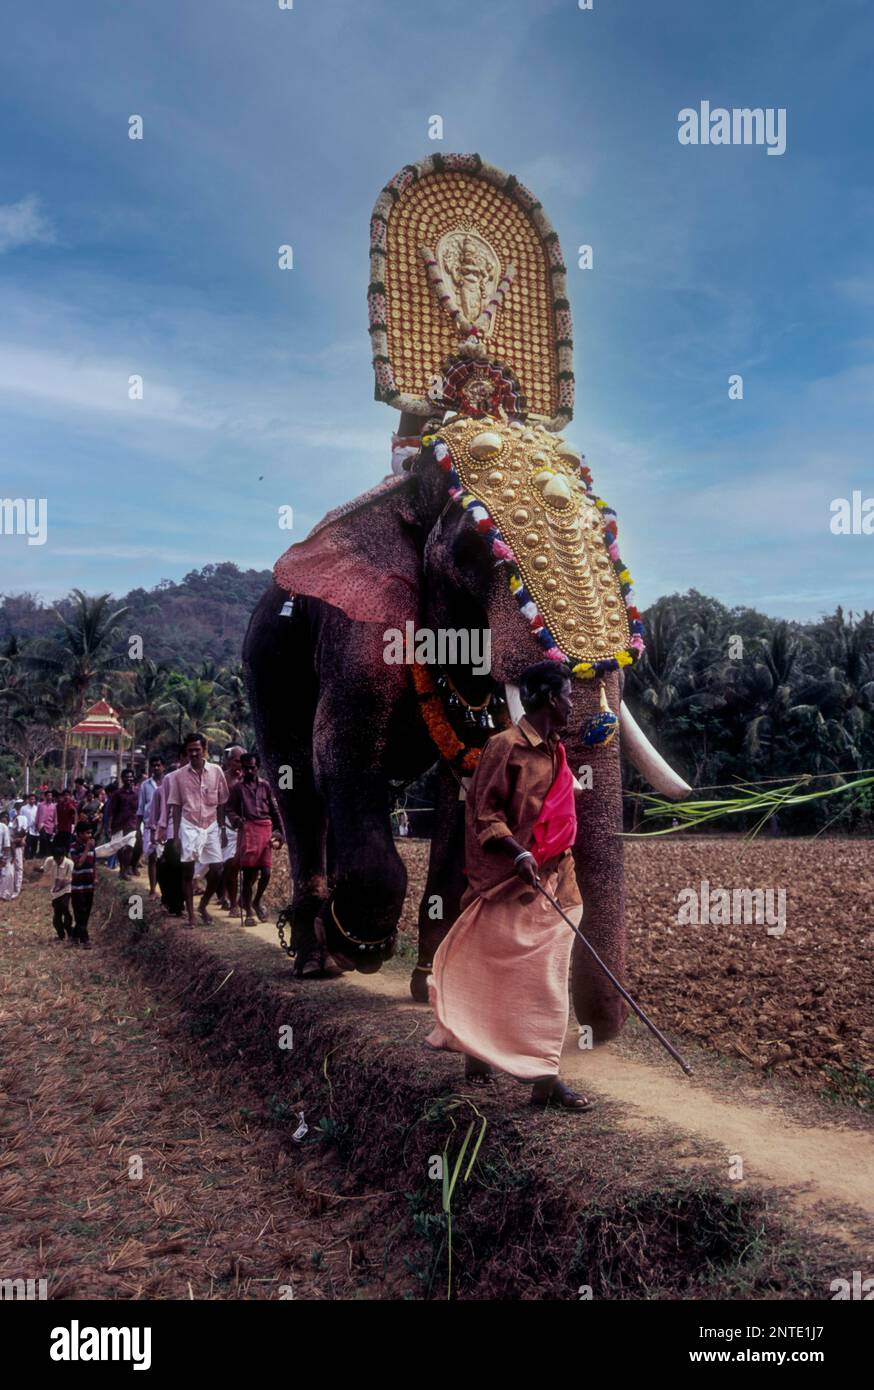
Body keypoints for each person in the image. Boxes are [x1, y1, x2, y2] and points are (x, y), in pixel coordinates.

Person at [425, 661, 592, 1112]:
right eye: (569, 695)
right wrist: (518, 854)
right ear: (550, 699)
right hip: (513, 882)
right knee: (493, 972)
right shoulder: (505, 747)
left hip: (558, 882)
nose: (573, 702)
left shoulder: (557, 750)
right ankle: (502, 1062)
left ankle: (541, 1077)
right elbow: (485, 815)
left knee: (548, 979)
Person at [166, 733, 229, 927]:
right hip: (189, 825)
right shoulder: (178, 776)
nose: (194, 753)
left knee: (217, 869)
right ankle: (191, 915)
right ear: (186, 752)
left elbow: (221, 802)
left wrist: (223, 828)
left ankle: (203, 905)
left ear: (205, 751)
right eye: (190, 750)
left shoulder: (217, 771)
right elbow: (175, 805)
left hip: (211, 825)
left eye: (197, 750)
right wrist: (176, 835)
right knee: (188, 870)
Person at [225, 752, 284, 925]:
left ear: (257, 768)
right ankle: (249, 911)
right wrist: (237, 820)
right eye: (246, 768)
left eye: (253, 767)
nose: (249, 771)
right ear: (242, 769)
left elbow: (274, 810)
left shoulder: (265, 786)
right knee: (249, 874)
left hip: (265, 830)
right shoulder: (237, 788)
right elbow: (229, 809)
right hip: (248, 829)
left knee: (266, 872)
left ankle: (257, 900)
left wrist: (280, 831)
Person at [217, 746, 244, 913]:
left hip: (244, 826)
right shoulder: (222, 779)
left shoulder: (246, 778)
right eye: (236, 761)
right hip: (226, 825)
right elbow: (219, 806)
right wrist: (221, 829)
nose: (239, 765)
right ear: (229, 761)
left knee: (250, 866)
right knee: (229, 865)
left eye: (242, 761)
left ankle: (243, 899)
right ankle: (230, 901)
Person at [137, 757, 164, 897]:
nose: (156, 768)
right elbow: (141, 808)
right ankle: (153, 889)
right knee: (152, 857)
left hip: (165, 826)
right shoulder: (145, 785)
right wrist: (137, 830)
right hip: (149, 825)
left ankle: (164, 889)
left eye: (158, 765)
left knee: (164, 859)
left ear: (163, 766)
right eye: (153, 765)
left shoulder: (169, 783)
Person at [107, 769, 138, 879]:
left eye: (131, 777)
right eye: (126, 777)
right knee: (120, 848)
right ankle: (122, 870)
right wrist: (110, 826)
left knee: (130, 847)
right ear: (122, 779)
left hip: (132, 825)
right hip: (118, 825)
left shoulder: (137, 794)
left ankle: (125, 870)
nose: (129, 779)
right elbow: (111, 811)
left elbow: (139, 811)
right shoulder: (117, 794)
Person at [69, 820, 96, 948]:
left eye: (90, 833)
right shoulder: (73, 847)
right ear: (79, 834)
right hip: (77, 886)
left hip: (89, 885)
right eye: (87, 833)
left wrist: (95, 878)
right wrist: (86, 849)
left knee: (86, 912)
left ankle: (75, 936)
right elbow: (78, 864)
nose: (89, 836)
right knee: (80, 911)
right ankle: (85, 939)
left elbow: (93, 863)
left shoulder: (92, 847)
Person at [39, 846, 74, 944]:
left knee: (65, 908)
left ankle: (70, 932)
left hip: (66, 890)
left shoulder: (69, 863)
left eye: (59, 859)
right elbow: (44, 869)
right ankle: (61, 935)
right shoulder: (50, 860)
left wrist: (62, 884)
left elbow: (70, 878)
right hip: (55, 892)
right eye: (55, 859)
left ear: (63, 856)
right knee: (57, 915)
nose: (57, 861)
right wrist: (38, 869)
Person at [55, 787, 78, 853]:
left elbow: (75, 815)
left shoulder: (72, 805)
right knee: (60, 844)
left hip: (68, 828)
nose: (66, 797)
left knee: (67, 844)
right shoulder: (58, 805)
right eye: (65, 795)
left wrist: (75, 826)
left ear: (70, 796)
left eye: (68, 795)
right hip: (60, 828)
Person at [36, 790, 57, 856]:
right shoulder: (41, 805)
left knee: (48, 840)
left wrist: (55, 825)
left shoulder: (54, 806)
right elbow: (37, 815)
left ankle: (46, 854)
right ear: (45, 796)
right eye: (48, 795)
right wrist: (37, 824)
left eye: (51, 795)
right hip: (42, 825)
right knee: (43, 839)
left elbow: (55, 817)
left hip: (50, 826)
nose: (49, 797)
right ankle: (41, 853)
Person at [0, 813, 15, 900]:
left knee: (7, 875)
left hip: (2, 856)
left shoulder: (4, 827)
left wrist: (5, 858)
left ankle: (4, 895)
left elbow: (7, 845)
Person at [21, 794, 39, 859]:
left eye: (33, 799)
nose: (32, 800)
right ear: (28, 800)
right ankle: (26, 857)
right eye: (31, 799)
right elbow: (21, 818)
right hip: (27, 829)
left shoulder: (37, 808)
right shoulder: (23, 808)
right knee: (27, 844)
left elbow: (38, 818)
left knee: (34, 844)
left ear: (35, 800)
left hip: (35, 829)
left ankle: (32, 857)